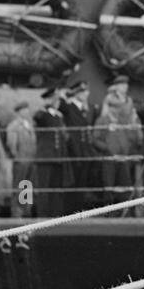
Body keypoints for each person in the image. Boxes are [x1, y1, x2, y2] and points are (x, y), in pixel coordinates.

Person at [91, 74, 143, 209]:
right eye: (114, 107)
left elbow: (128, 133)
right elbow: (95, 138)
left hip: (124, 157)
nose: (117, 109)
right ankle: (109, 212)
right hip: (109, 158)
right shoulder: (103, 121)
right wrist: (107, 148)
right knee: (109, 187)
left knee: (125, 187)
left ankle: (123, 212)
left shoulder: (123, 119)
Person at [59, 80, 98, 212]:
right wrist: (66, 94)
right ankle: (69, 211)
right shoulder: (69, 107)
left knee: (81, 183)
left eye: (86, 91)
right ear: (76, 93)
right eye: (82, 91)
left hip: (84, 152)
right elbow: (60, 104)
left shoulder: (84, 109)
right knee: (73, 183)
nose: (85, 94)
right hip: (74, 151)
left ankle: (76, 210)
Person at [33, 87, 71, 217]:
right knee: (44, 189)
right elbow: (38, 117)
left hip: (58, 158)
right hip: (46, 158)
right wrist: (46, 105)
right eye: (55, 99)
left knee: (56, 190)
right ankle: (43, 216)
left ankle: (56, 216)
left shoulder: (58, 116)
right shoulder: (44, 114)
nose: (57, 102)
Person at [6, 101, 37, 216]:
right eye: (24, 110)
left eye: (27, 109)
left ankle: (26, 210)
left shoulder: (29, 124)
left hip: (30, 160)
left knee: (28, 186)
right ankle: (17, 211)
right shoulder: (14, 126)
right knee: (19, 185)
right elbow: (11, 144)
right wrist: (17, 156)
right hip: (21, 161)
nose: (27, 112)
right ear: (19, 112)